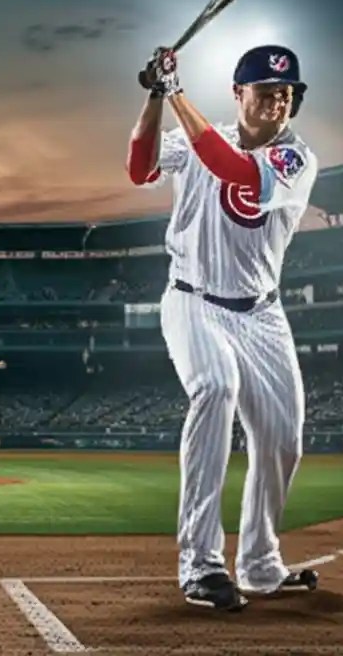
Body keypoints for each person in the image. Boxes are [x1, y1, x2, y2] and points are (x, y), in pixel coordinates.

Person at [126, 44, 321, 612]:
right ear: (239, 94)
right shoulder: (193, 136)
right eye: (265, 91)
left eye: (286, 93)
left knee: (283, 439)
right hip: (193, 300)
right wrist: (155, 97)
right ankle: (201, 565)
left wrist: (174, 91)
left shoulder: (296, 158)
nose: (277, 102)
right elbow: (139, 168)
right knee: (214, 387)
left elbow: (236, 171)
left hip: (261, 314)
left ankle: (260, 565)